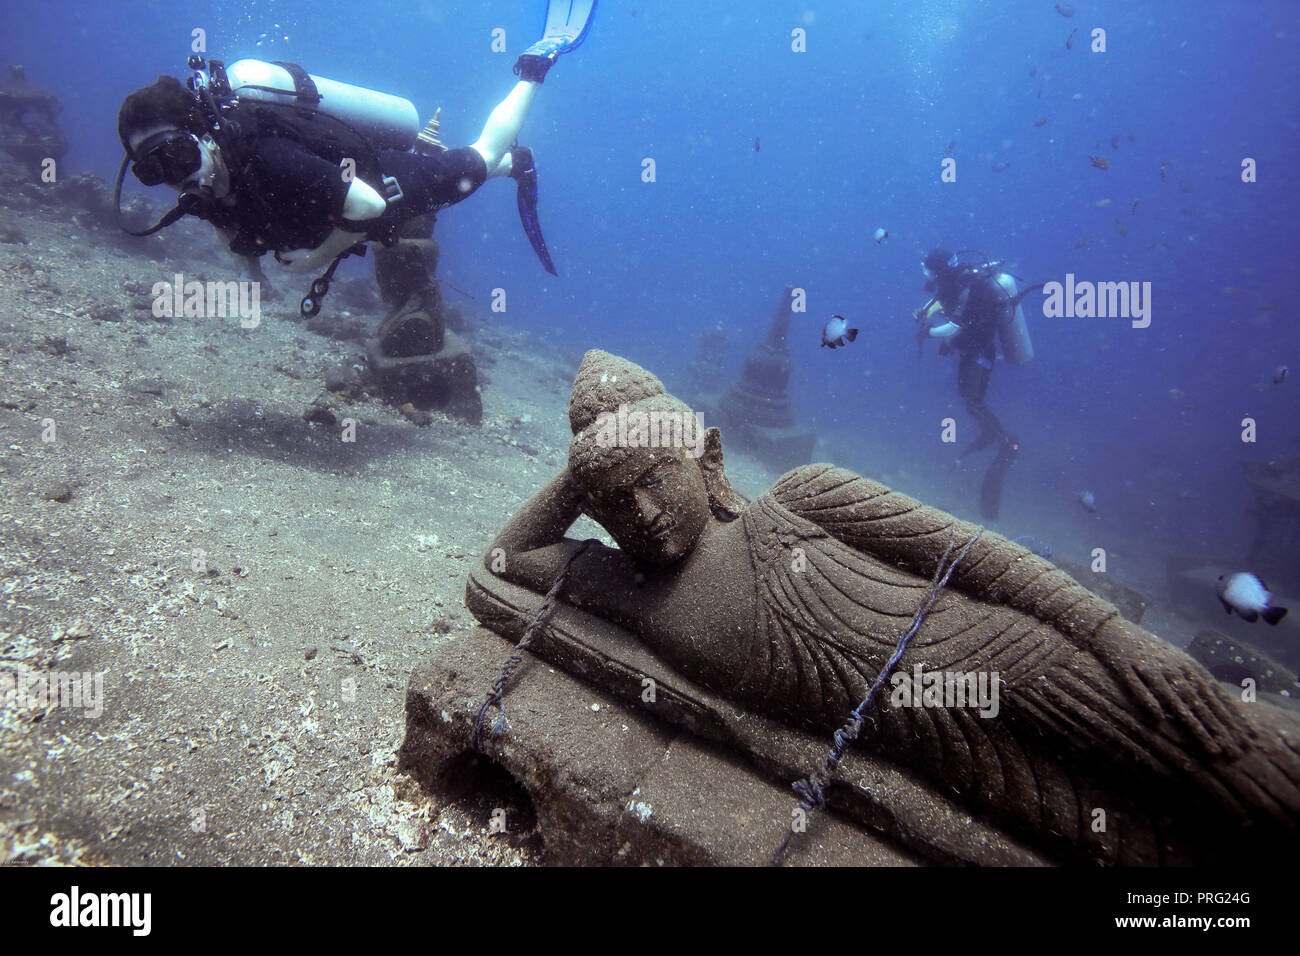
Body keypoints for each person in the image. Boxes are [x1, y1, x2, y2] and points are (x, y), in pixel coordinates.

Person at [468, 350, 1300, 865]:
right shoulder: (633, 593)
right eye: (613, 506)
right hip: (947, 750)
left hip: (1021, 661)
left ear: (706, 454)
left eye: (655, 481)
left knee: (1235, 768)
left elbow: (967, 553)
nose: (642, 515)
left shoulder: (800, 500)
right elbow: (508, 559)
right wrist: (591, 468)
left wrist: (1111, 634)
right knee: (1152, 850)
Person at [113, 0, 598, 307]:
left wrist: (313, 259)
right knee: (493, 164)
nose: (176, 179)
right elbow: (228, 227)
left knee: (481, 153)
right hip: (348, 194)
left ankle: (534, 65)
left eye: (175, 154)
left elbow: (368, 206)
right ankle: (518, 165)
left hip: (392, 182)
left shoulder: (266, 156)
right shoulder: (210, 180)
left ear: (200, 132)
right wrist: (250, 273)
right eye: (152, 170)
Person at [914, 248, 1036, 520]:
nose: (925, 274)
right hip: (973, 348)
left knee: (973, 400)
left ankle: (1004, 442)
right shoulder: (955, 283)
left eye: (928, 270)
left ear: (940, 270)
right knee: (969, 399)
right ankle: (995, 435)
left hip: (980, 351)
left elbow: (957, 324)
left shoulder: (967, 288)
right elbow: (946, 307)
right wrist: (928, 315)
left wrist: (930, 333)